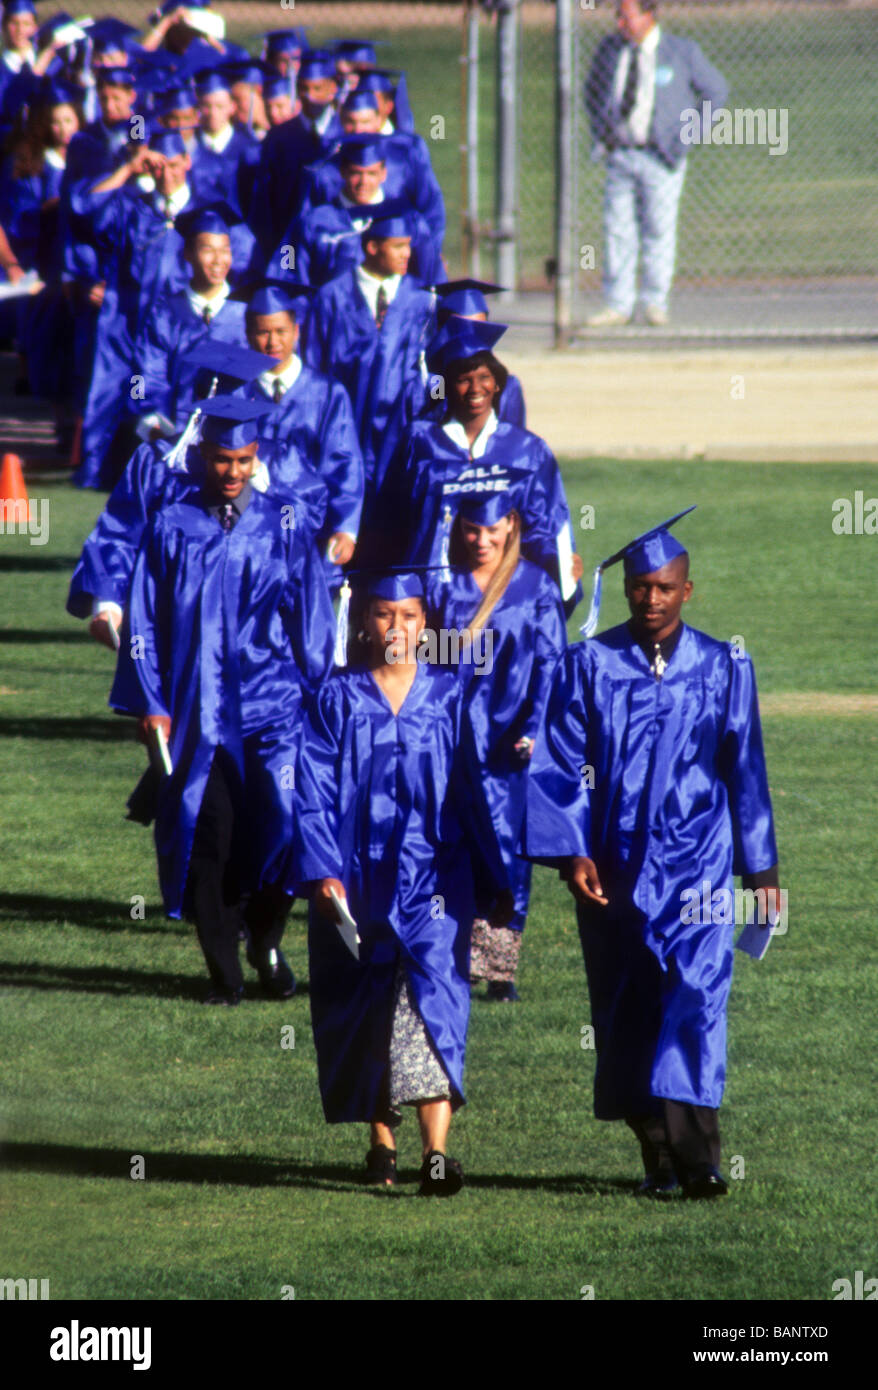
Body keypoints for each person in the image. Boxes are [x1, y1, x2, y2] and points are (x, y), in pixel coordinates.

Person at [524, 508, 781, 1198]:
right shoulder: (589, 665)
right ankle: (659, 1159)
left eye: (666, 588)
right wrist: (572, 851)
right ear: (629, 587)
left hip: (699, 863)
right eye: (641, 587)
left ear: (687, 591)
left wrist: (762, 871)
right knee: (627, 1006)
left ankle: (700, 1161)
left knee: (694, 998)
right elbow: (558, 764)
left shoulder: (724, 666)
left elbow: (745, 769)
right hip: (615, 866)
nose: (652, 599)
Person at [288, 570, 510, 1192]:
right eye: (385, 615)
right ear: (364, 622)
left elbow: (475, 791)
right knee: (368, 1005)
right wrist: (322, 871)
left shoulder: (449, 697)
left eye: (410, 616)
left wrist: (497, 874)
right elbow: (313, 793)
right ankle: (380, 1140)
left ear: (426, 625)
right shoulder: (335, 698)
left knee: (433, 999)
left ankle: (435, 1152)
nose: (397, 628)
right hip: (355, 879)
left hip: (436, 878)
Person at [109, 396, 335, 1004]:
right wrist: (148, 701)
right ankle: (224, 974)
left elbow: (311, 617)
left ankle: (264, 937)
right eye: (220, 459)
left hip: (274, 705)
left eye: (243, 460)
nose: (232, 472)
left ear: (255, 457)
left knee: (283, 824)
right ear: (202, 455)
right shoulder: (171, 525)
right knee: (208, 835)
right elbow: (143, 625)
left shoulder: (284, 523)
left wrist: (320, 696)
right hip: (197, 711)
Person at [427, 487, 566, 1001]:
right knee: (455, 846)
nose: (481, 540)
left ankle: (501, 971)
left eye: (491, 530)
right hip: (454, 738)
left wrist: (536, 725)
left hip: (509, 743)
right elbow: (435, 662)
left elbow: (552, 662)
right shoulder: (447, 587)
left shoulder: (535, 587)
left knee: (507, 851)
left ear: (511, 524)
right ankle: (456, 955)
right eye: (470, 530)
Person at [376, 318, 582, 609]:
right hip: (431, 600)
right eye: (463, 379)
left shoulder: (527, 449)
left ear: (498, 383)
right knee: (441, 654)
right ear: (446, 386)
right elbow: (390, 522)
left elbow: (547, 525)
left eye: (484, 377)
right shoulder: (420, 443)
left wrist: (559, 570)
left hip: (507, 599)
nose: (475, 388)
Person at [584, 0, 727, 327]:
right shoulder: (610, 50)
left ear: (649, 15)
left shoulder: (680, 52)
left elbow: (715, 92)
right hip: (621, 154)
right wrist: (603, 132)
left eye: (626, 15)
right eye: (617, 15)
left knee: (658, 230)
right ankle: (617, 304)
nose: (619, 22)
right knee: (617, 230)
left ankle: (653, 302)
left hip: (661, 157)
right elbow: (591, 91)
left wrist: (684, 138)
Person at [303, 197, 432, 493]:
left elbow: (435, 372)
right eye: (398, 246)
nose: (407, 254)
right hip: (343, 429)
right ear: (372, 247)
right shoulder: (331, 297)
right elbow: (314, 364)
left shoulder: (423, 300)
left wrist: (433, 406)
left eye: (408, 246)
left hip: (403, 433)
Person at [239, 280, 364, 582]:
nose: (272, 342)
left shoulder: (327, 393)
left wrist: (344, 527)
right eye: (263, 332)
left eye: (281, 332)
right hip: (250, 525)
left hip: (312, 527)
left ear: (296, 332)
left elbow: (344, 462)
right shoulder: (238, 392)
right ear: (248, 335)